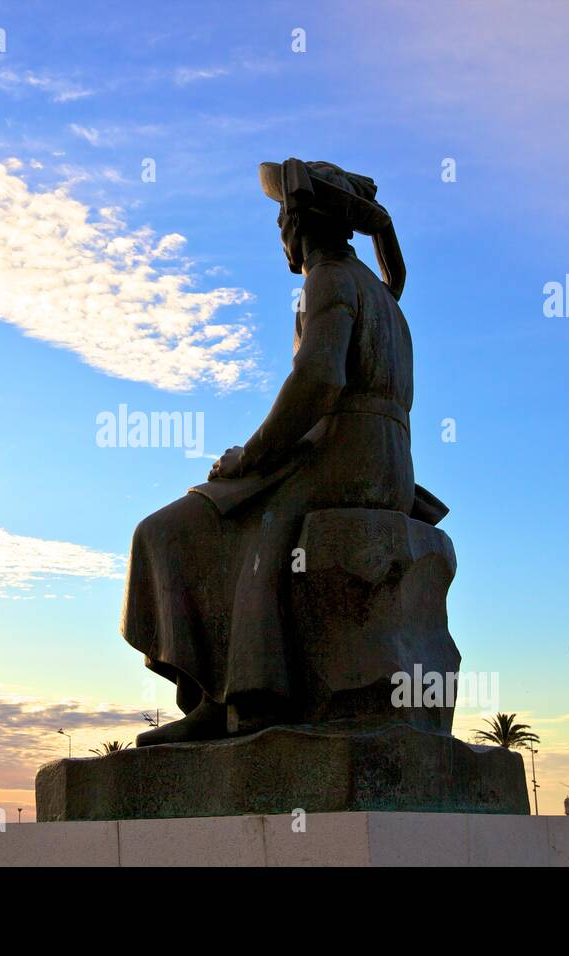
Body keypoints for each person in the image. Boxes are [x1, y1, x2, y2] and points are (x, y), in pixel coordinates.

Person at [123, 158, 444, 746]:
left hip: (346, 459)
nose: (279, 233)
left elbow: (318, 381)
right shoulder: (380, 293)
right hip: (383, 465)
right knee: (235, 516)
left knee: (169, 531)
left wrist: (249, 457)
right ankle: (227, 693)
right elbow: (381, 303)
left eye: (280, 218)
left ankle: (235, 699)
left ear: (298, 222)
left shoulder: (329, 279)